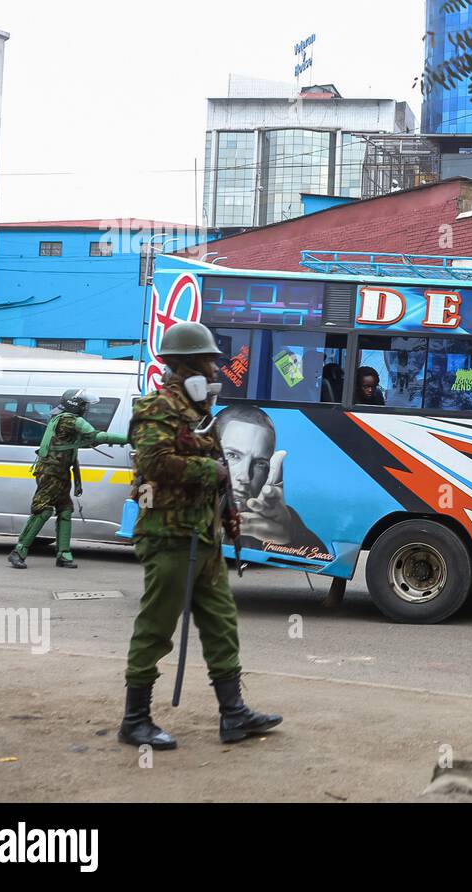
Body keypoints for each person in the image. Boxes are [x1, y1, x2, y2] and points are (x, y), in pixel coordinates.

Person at [118, 321, 281, 750]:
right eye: (210, 361)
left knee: (222, 624)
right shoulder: (158, 408)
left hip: (201, 537)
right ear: (187, 365)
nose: (215, 370)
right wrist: (210, 470)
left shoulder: (198, 415)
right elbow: (153, 463)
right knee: (156, 627)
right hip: (169, 536)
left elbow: (217, 477)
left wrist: (227, 514)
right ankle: (135, 720)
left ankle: (234, 715)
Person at [7, 389, 128, 570]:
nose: (85, 408)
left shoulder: (60, 418)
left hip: (60, 472)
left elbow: (87, 440)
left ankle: (63, 554)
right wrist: (129, 438)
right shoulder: (70, 420)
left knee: (65, 510)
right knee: (43, 510)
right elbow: (95, 436)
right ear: (75, 404)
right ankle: (19, 550)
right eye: (83, 404)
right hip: (51, 472)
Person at [212, 404, 328, 556]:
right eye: (233, 456)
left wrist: (291, 537)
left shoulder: (277, 521)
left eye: (260, 463)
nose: (245, 476)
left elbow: (320, 556)